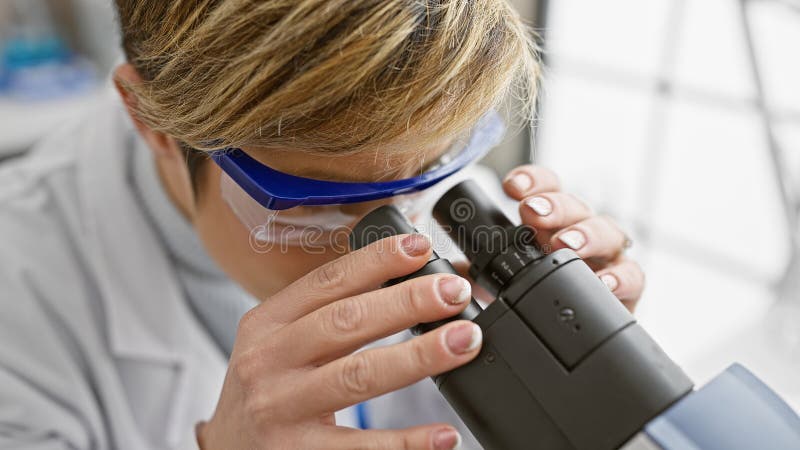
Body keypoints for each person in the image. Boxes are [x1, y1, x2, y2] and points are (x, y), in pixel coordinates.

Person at [0, 1, 645, 449]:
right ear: (151, 123)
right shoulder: (20, 310)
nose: (397, 238)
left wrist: (582, 391)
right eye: (319, 204)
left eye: (428, 176)